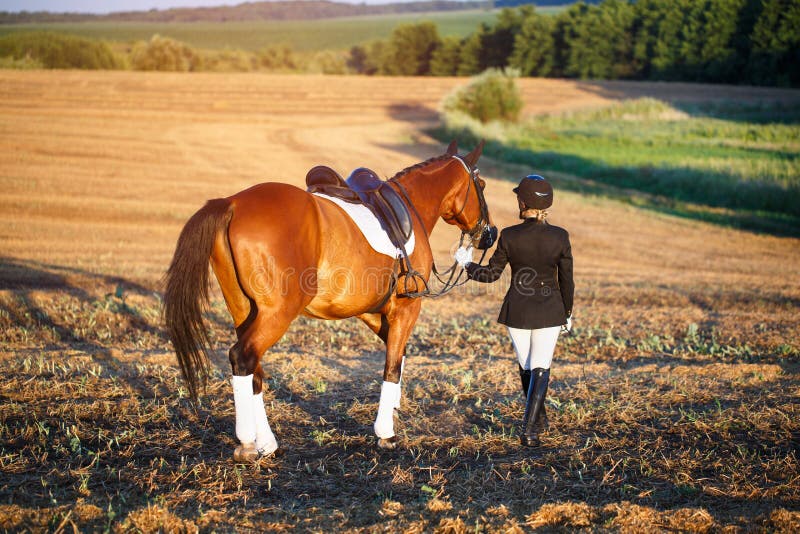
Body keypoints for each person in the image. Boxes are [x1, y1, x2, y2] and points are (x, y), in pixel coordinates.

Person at [454, 174, 573, 447]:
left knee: (528, 367)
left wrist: (466, 263)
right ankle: (530, 430)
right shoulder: (560, 237)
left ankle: (538, 420)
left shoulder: (509, 235)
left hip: (517, 311)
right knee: (540, 367)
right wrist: (568, 312)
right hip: (550, 309)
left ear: (523, 202)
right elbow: (567, 280)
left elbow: (492, 275)